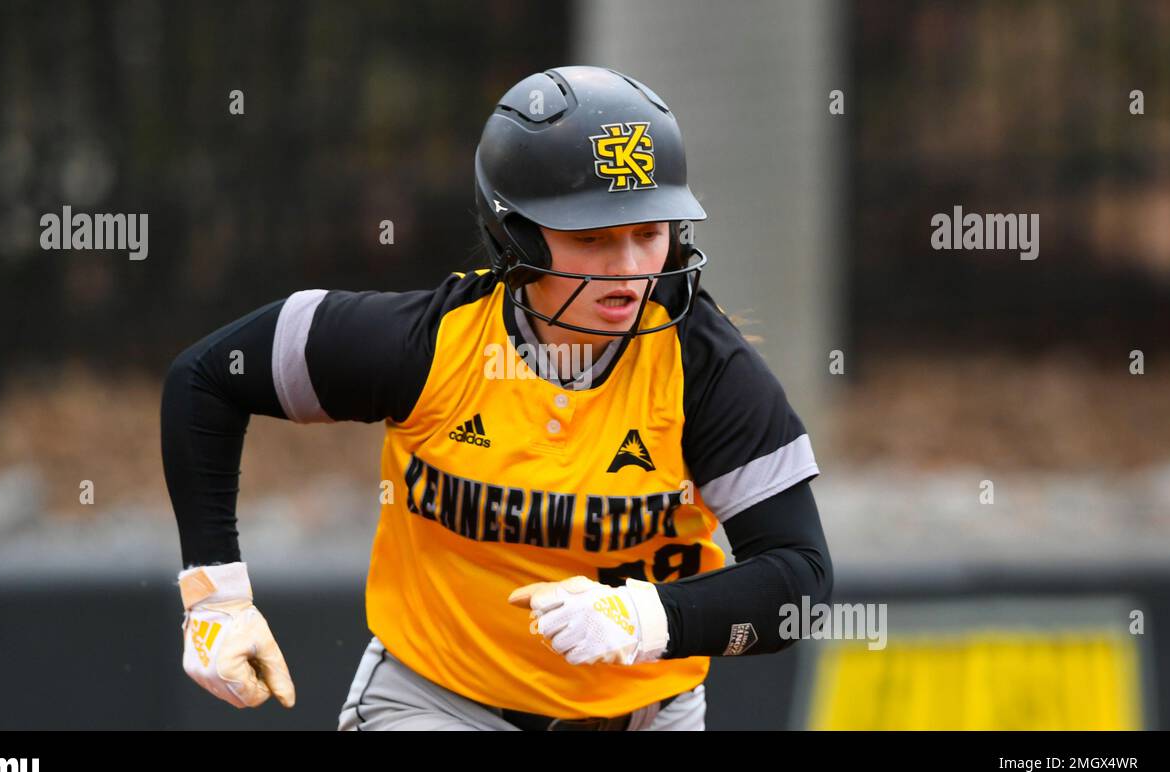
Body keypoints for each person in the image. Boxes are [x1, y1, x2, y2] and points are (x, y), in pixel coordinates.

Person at [161, 65, 832, 731]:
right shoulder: (429, 344)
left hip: (645, 714)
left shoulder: (703, 366)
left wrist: (644, 616)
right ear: (515, 236)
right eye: (593, 237)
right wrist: (215, 597)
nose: (629, 268)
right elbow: (207, 378)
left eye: (649, 231)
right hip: (438, 701)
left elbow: (800, 580)